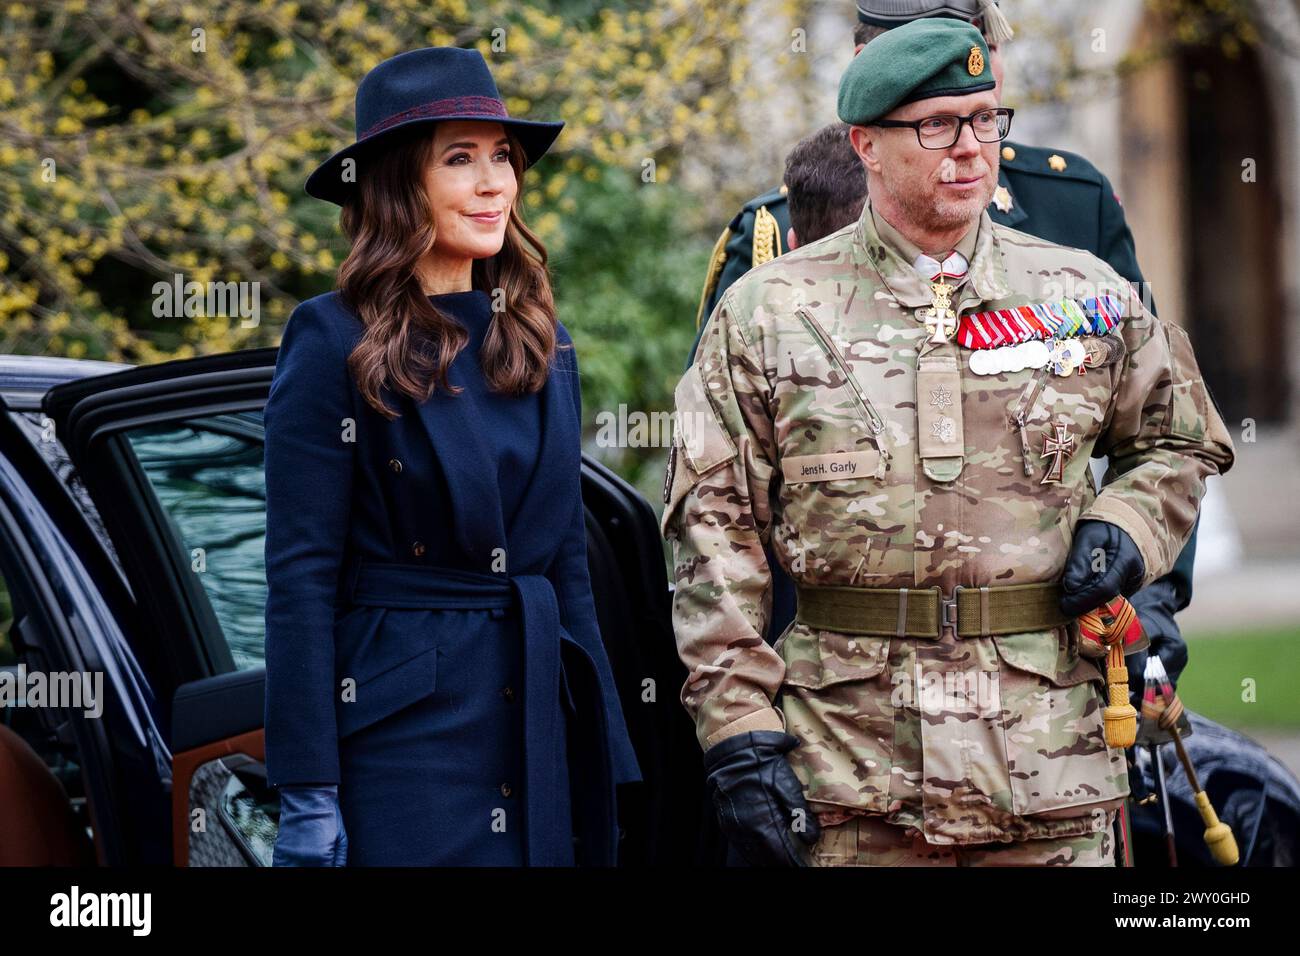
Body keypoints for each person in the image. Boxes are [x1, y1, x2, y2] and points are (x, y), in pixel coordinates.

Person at [661, 18, 1233, 866]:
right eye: (936, 125)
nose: (971, 149)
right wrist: (739, 727)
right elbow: (712, 531)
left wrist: (1130, 525)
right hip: (850, 774)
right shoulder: (770, 314)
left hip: (1049, 771)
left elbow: (1180, 440)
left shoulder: (1081, 290)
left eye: (985, 119)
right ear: (866, 143)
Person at [264, 46, 639, 866]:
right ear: (401, 184)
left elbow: (567, 562)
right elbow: (300, 576)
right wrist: (308, 790)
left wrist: (608, 755)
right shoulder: (331, 339)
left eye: (501, 157)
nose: (493, 181)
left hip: (537, 726)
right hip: (403, 745)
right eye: (459, 159)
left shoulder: (541, 337)